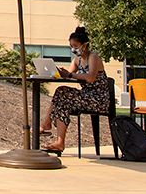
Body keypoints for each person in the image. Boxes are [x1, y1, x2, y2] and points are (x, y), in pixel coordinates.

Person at [39, 26, 110, 154]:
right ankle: (59, 142)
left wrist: (70, 75)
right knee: (62, 101)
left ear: (85, 45)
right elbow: (69, 74)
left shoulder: (93, 57)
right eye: (71, 46)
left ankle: (46, 124)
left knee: (62, 92)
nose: (73, 49)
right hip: (85, 96)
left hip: (98, 99)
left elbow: (90, 77)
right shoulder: (77, 60)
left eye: (76, 46)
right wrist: (57, 73)